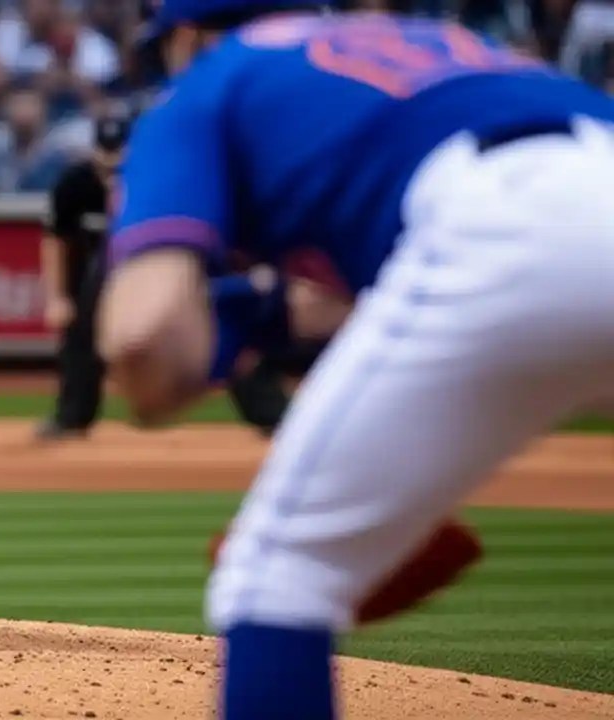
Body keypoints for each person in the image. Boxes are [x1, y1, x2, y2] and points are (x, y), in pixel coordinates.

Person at [99, 2, 614, 718]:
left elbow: (144, 340)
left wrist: (208, 339)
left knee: (277, 577)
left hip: (502, 225)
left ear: (187, 37)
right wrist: (271, 314)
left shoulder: (212, 82)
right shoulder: (447, 43)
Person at [35, 112, 129, 440]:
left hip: (140, 273)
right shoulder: (75, 184)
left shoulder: (150, 181)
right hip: (88, 274)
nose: (112, 164)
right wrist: (57, 298)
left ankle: (270, 413)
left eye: (120, 155)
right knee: (79, 330)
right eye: (106, 154)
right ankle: (72, 418)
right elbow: (55, 241)